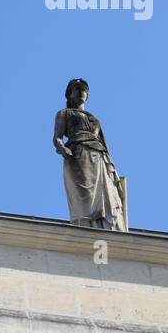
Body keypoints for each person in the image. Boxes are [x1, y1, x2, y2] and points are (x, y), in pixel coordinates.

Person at [53, 78, 127, 231]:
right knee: (84, 198)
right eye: (76, 89)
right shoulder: (64, 113)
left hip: (100, 157)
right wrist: (63, 149)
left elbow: (104, 144)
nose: (81, 91)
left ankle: (105, 226)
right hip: (78, 155)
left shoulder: (94, 119)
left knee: (107, 198)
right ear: (69, 95)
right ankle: (87, 229)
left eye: (84, 89)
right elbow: (57, 138)